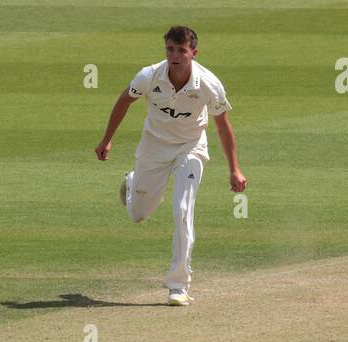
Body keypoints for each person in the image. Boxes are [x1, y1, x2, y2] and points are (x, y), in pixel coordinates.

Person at [95, 27, 247, 308]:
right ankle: (132, 183)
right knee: (138, 214)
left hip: (190, 147)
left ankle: (178, 285)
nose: (174, 55)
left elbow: (223, 126)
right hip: (153, 148)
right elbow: (124, 101)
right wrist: (107, 139)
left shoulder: (208, 85)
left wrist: (234, 169)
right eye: (169, 49)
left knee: (182, 209)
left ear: (193, 53)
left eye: (181, 50)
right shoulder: (149, 75)